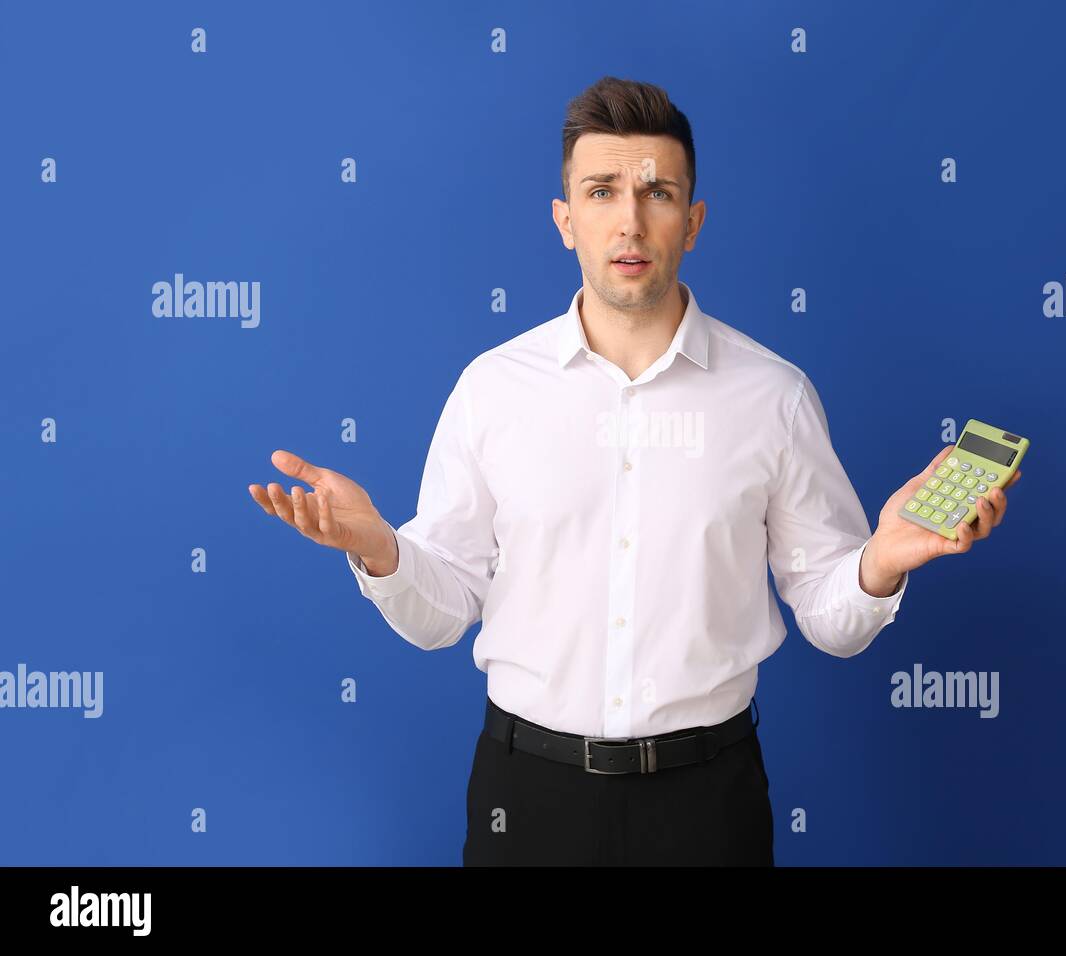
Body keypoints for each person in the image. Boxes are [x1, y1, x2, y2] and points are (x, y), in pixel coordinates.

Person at [248, 76, 1020, 866]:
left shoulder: (773, 396)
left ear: (693, 221)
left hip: (707, 803)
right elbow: (443, 612)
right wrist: (380, 549)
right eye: (602, 190)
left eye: (657, 191)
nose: (630, 218)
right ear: (565, 220)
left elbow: (830, 617)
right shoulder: (492, 389)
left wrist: (879, 563)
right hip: (529, 797)